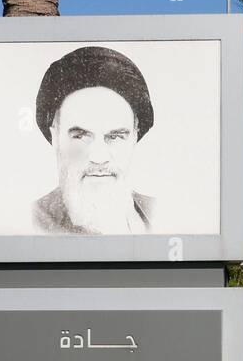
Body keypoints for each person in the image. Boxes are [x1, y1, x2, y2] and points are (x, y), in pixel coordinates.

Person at [32, 46, 156, 235]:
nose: (99, 158)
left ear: (135, 136)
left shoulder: (160, 213)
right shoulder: (31, 224)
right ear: (55, 138)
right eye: (80, 136)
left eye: (114, 136)